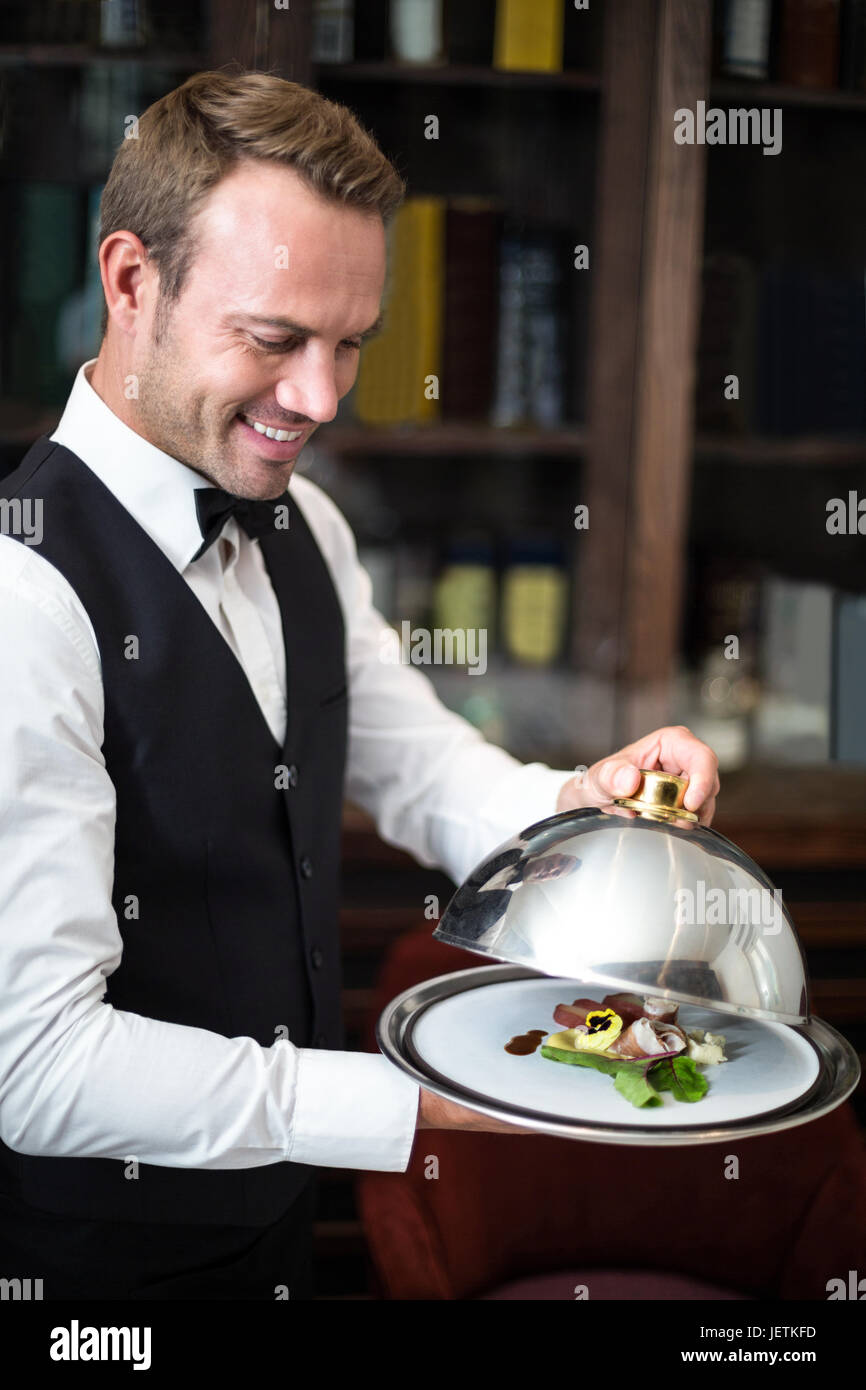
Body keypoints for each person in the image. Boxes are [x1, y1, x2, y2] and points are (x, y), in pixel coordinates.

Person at [0, 69, 720, 1300]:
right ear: (130, 283)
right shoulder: (22, 595)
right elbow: (40, 1065)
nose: (320, 400)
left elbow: (429, 777)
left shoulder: (306, 527)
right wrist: (428, 1102)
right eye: (274, 339)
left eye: (348, 346)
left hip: (276, 1229)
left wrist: (594, 806)